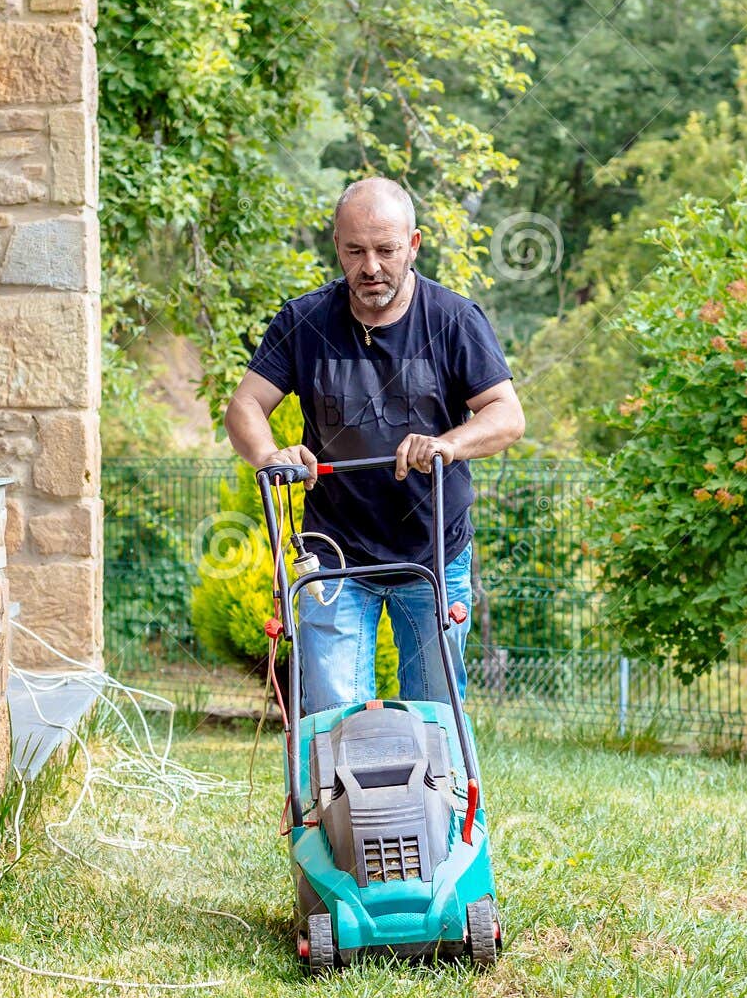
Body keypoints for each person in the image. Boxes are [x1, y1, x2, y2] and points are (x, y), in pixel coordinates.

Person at [224, 177, 525, 712]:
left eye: (386, 250)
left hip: (433, 550)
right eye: (355, 250)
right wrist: (271, 455)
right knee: (336, 713)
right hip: (335, 553)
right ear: (336, 245)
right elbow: (244, 407)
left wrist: (446, 445)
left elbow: (506, 416)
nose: (370, 268)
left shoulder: (454, 319)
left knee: (435, 712)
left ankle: (446, 799)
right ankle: (338, 800)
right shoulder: (304, 321)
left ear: (413, 244)